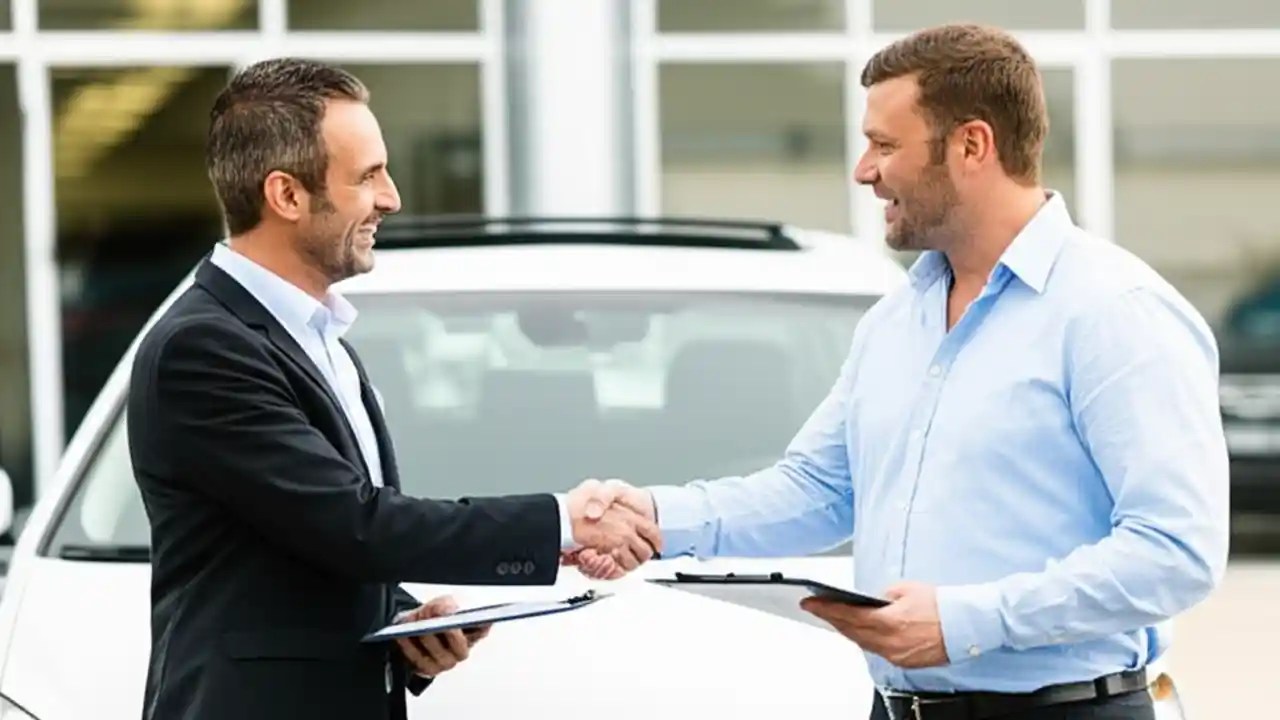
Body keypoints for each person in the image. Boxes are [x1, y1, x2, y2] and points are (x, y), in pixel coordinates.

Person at [565, 23, 1229, 720]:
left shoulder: (1114, 312)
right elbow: (819, 489)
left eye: (885, 145)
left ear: (972, 145)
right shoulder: (895, 319)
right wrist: (654, 518)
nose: (863, 170)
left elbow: (1174, 550)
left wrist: (964, 621)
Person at [127, 57, 659, 720]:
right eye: (369, 175)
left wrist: (406, 623)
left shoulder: (322, 342)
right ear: (287, 195)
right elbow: (355, 523)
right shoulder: (204, 348)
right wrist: (561, 519)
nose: (392, 197)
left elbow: (303, 544)